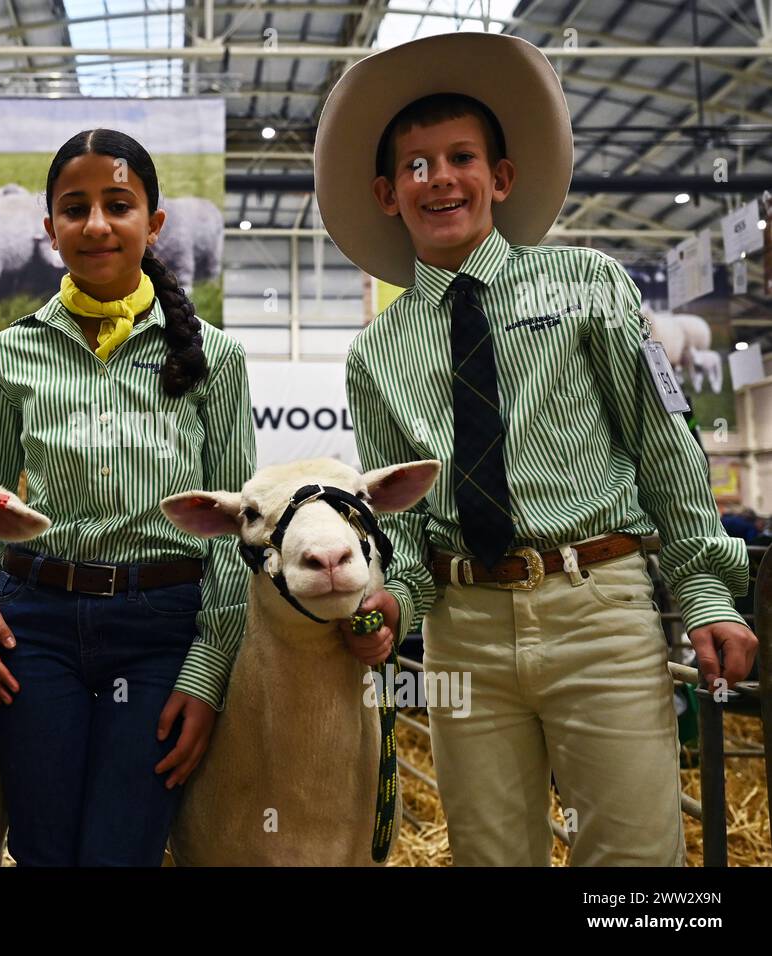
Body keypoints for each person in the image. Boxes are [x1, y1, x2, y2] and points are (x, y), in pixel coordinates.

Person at [315, 32, 757, 866]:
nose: (439, 178)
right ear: (386, 192)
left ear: (501, 178)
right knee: (489, 853)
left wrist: (704, 590)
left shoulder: (589, 283)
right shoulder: (375, 354)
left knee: (634, 858)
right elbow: (401, 526)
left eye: (461, 157)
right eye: (416, 165)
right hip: (463, 633)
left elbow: (664, 442)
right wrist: (394, 604)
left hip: (600, 608)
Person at [0, 129, 256, 866]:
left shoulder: (215, 358)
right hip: (34, 626)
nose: (96, 224)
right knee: (42, 846)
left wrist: (209, 665)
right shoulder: (3, 357)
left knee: (120, 850)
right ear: (48, 227)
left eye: (118, 205)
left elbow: (236, 527)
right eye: (75, 207)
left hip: (161, 628)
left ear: (154, 224)